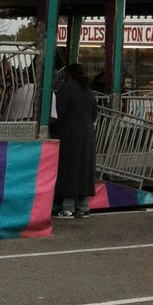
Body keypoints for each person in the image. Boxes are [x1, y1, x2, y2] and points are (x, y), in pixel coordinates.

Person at [51, 62, 98, 219]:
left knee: (69, 170)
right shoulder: (88, 91)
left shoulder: (67, 89)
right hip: (88, 135)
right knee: (85, 170)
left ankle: (68, 207)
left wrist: (54, 130)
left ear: (69, 74)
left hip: (70, 135)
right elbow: (94, 115)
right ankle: (84, 207)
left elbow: (58, 113)